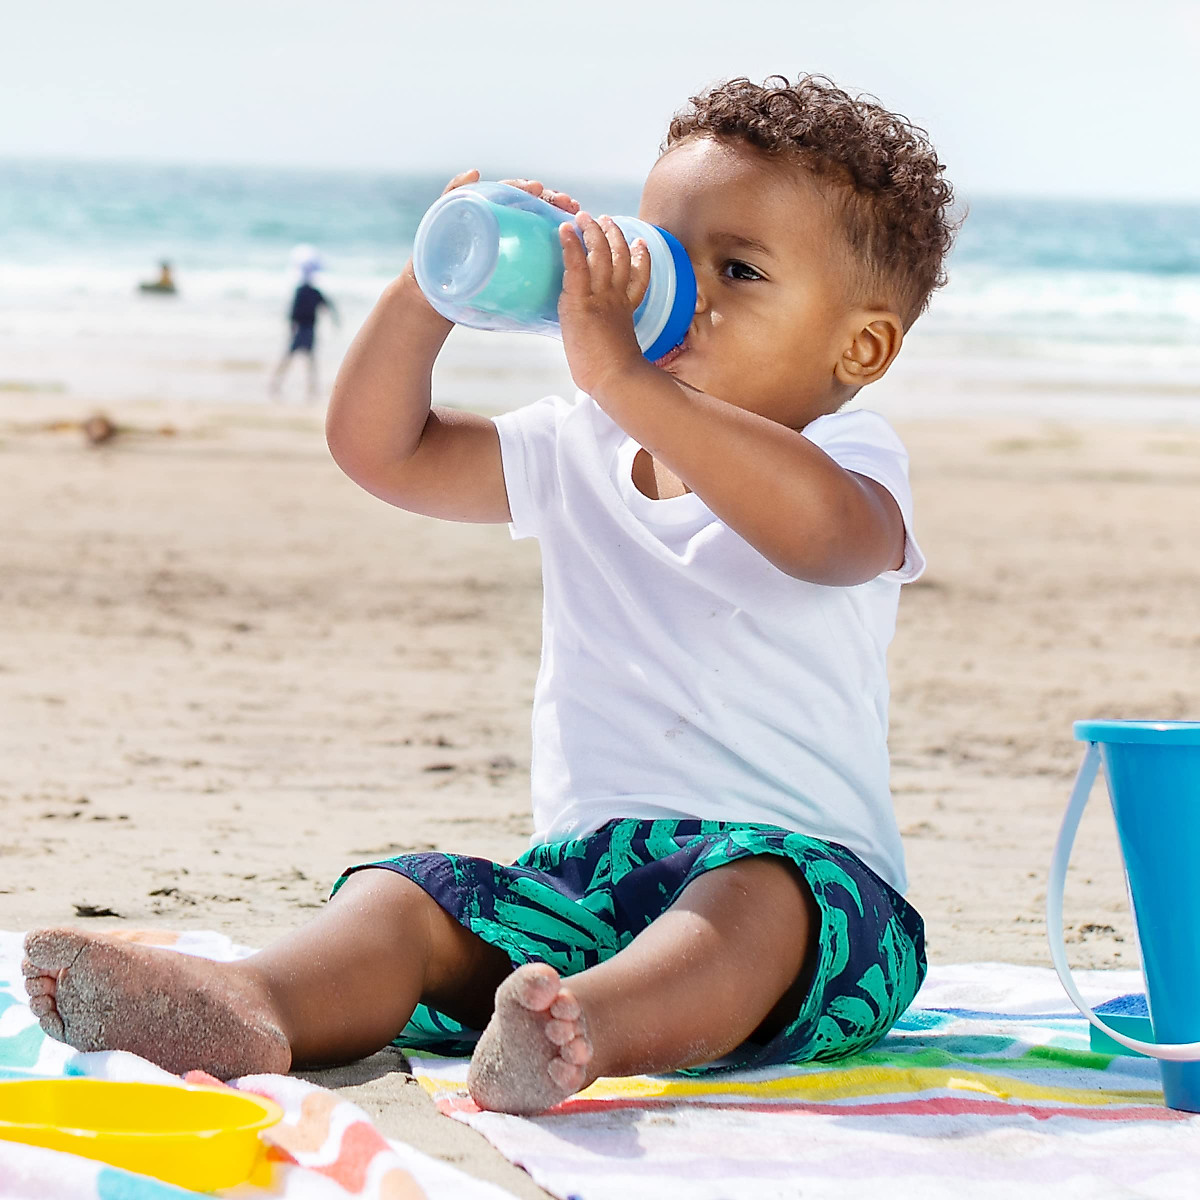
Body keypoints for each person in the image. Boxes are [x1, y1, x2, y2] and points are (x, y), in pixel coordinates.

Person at [23, 74, 958, 1116]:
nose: (673, 291)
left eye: (736, 270)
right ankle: (256, 1000)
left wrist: (627, 384)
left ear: (859, 346)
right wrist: (426, 297)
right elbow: (385, 451)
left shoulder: (845, 454)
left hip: (816, 894)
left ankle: (588, 1029)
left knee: (753, 902)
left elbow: (827, 539)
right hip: (588, 880)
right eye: (659, 249)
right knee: (407, 897)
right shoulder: (584, 439)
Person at [271, 254, 338, 400]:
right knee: (305, 359)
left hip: (303, 328)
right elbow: (328, 306)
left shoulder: (304, 291)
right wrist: (334, 320)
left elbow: (293, 311)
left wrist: (291, 326)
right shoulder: (311, 291)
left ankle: (281, 384)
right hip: (305, 328)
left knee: (295, 357)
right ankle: (307, 387)